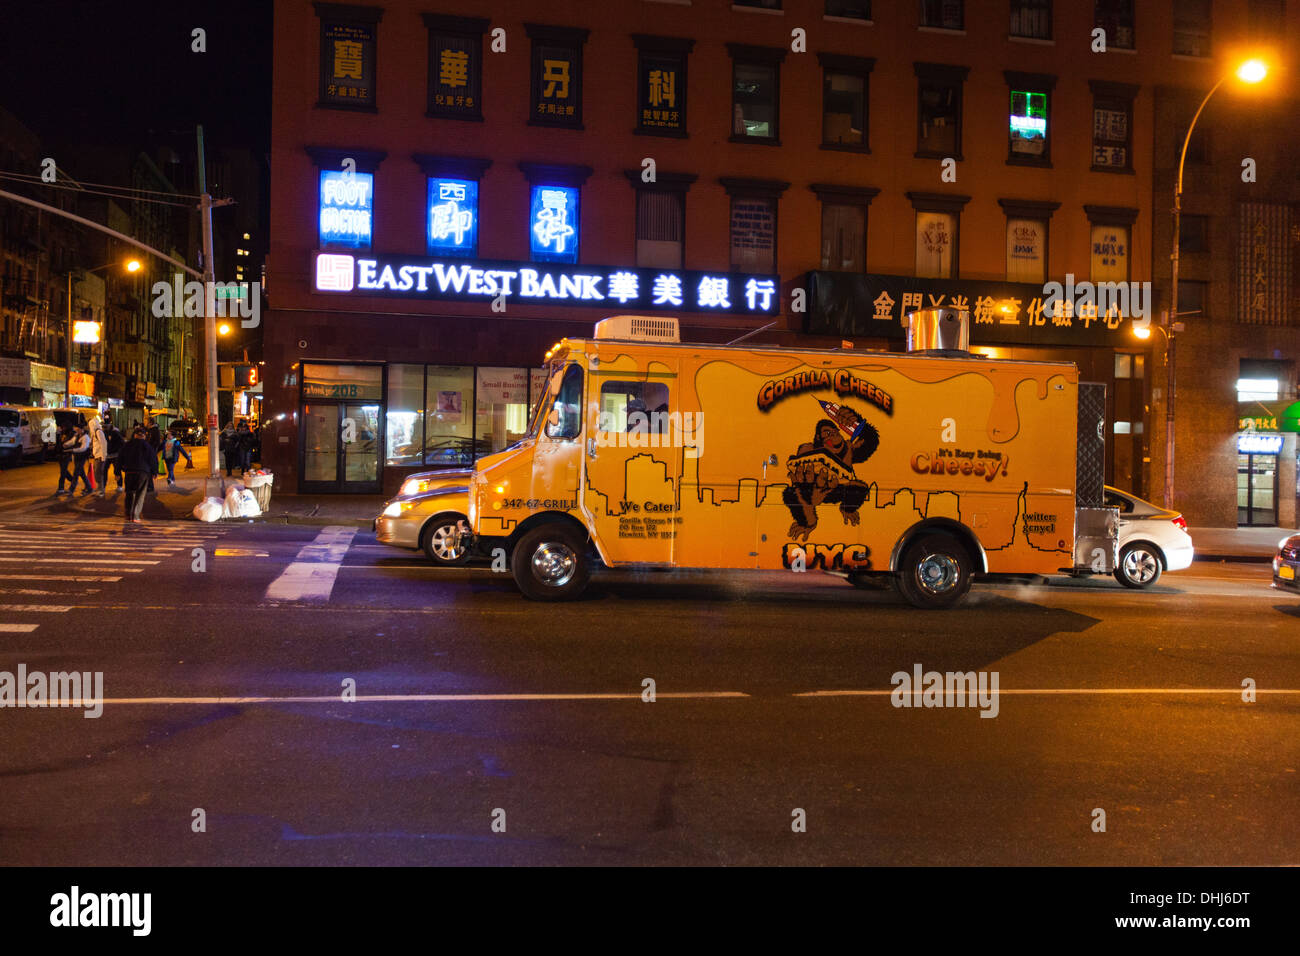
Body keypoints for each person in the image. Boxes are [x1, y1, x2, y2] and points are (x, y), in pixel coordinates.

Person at [118, 426, 156, 523]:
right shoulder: (147, 446)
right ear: (144, 436)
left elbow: (119, 458)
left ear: (134, 435)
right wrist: (154, 472)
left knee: (129, 493)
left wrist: (117, 471)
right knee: (140, 494)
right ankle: (135, 516)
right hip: (143, 472)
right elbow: (152, 460)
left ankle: (127, 514)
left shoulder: (127, 445)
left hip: (129, 471)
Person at [68, 424, 93, 496]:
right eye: (76, 430)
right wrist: (66, 444)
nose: (77, 431)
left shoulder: (85, 437)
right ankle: (89, 488)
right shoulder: (77, 436)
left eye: (78, 429)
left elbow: (84, 448)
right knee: (82, 474)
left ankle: (71, 490)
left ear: (82, 429)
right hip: (77, 457)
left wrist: (73, 450)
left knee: (76, 473)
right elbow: (72, 442)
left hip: (82, 457)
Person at [104, 420, 124, 492]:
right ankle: (103, 486)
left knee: (117, 471)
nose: (105, 427)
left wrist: (118, 451)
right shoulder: (105, 432)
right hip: (107, 455)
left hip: (115, 455)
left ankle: (120, 485)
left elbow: (122, 443)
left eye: (106, 426)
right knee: (104, 470)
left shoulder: (115, 433)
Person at [89, 418, 108, 495]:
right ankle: (99, 488)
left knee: (98, 473)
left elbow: (104, 444)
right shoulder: (95, 433)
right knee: (97, 473)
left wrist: (103, 457)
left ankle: (101, 490)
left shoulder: (98, 432)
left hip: (100, 456)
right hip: (97, 456)